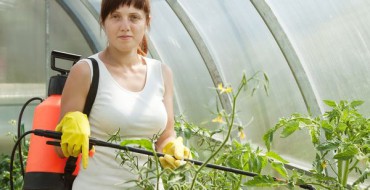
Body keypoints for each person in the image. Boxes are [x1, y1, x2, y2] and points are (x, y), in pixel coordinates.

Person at [54, 0, 191, 189]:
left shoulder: (162, 73)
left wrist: (170, 147)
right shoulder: (86, 71)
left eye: (134, 18)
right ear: (103, 21)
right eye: (116, 17)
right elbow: (58, 149)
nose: (125, 27)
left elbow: (165, 135)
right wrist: (71, 125)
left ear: (147, 22)